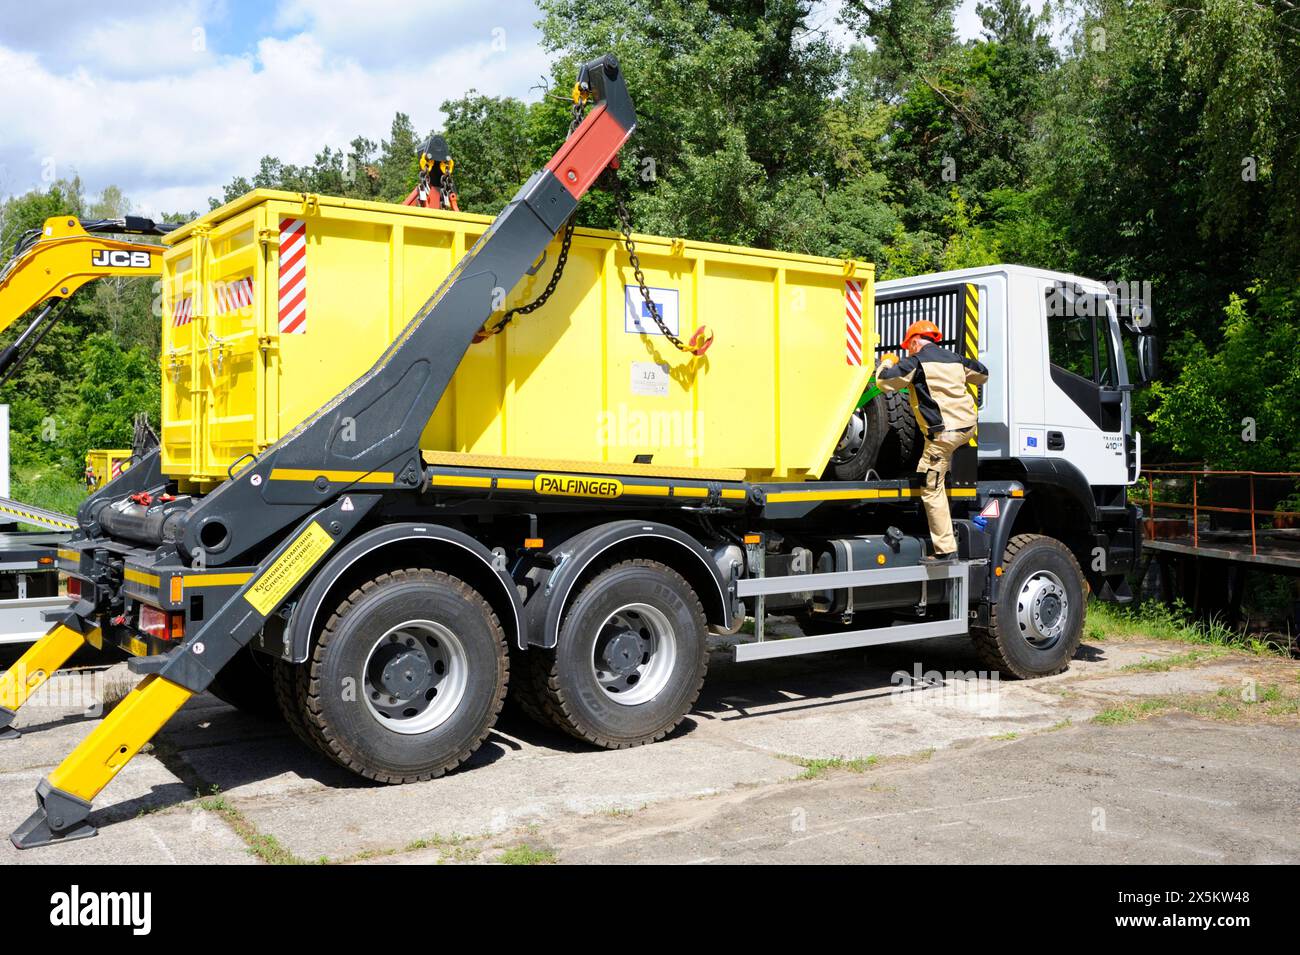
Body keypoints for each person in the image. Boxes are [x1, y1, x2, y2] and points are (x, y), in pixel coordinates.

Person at [875, 320, 988, 562]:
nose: (909, 349)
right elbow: (982, 374)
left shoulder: (915, 362)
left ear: (915, 342)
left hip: (944, 436)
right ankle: (942, 472)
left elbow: (885, 381)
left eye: (909, 346)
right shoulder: (955, 359)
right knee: (937, 463)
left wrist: (888, 360)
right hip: (966, 428)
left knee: (930, 486)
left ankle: (945, 549)